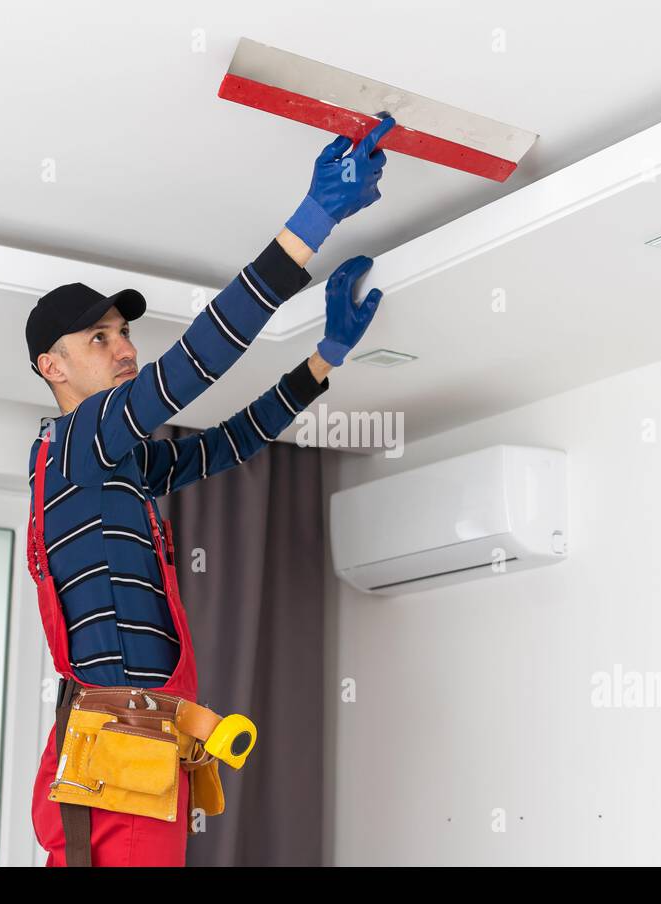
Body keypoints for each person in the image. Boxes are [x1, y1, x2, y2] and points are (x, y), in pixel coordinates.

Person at [23, 114, 396, 865]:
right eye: (99, 338)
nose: (126, 347)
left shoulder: (111, 464)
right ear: (52, 367)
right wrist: (311, 220)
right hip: (120, 759)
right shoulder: (82, 439)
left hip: (132, 753)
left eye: (125, 331)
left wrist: (320, 362)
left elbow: (233, 442)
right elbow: (199, 359)